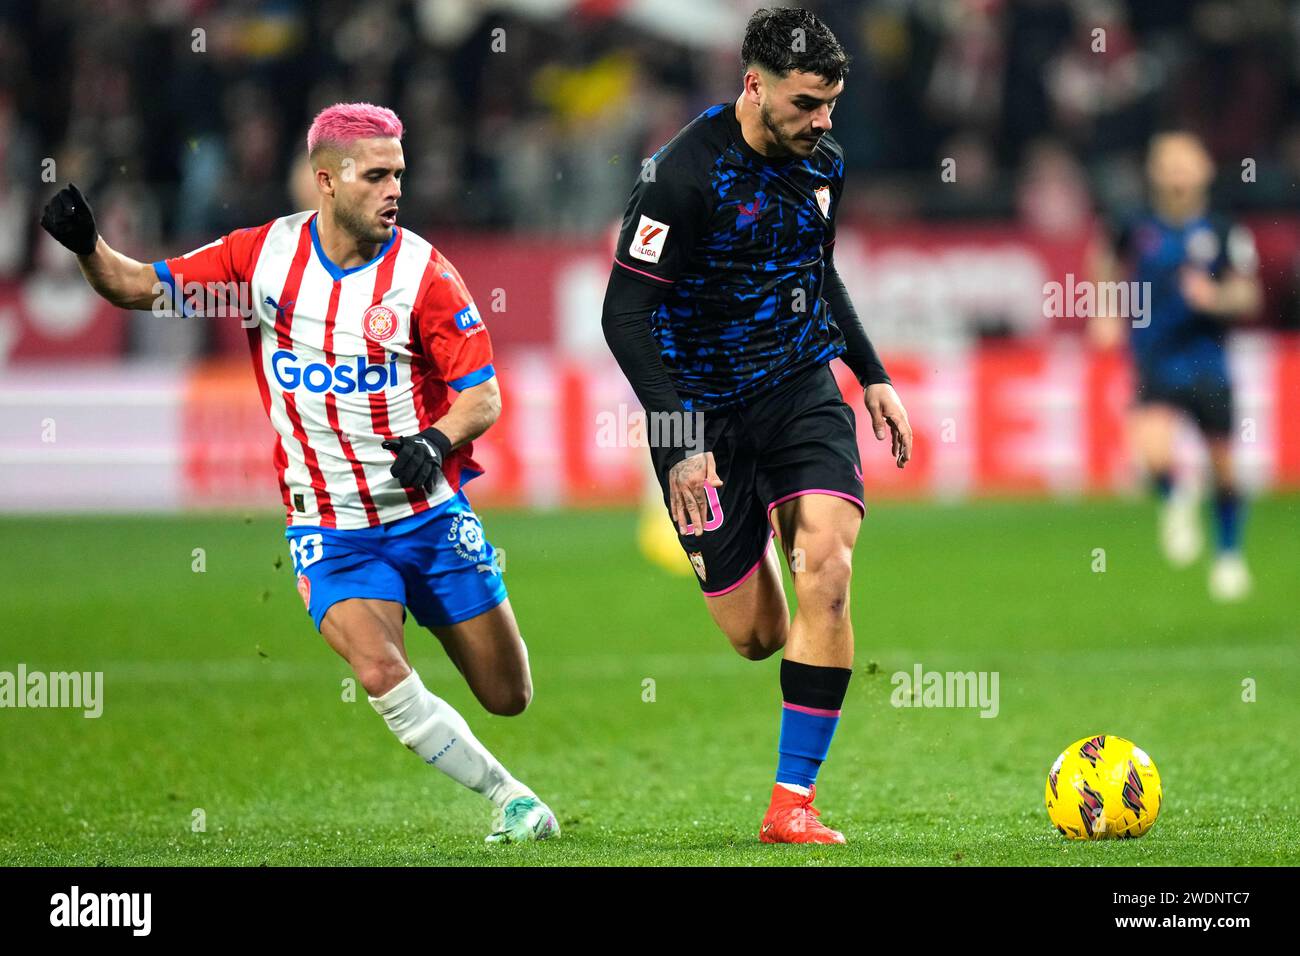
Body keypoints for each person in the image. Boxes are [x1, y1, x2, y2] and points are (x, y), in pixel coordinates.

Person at [39, 102, 559, 843]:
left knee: (509, 694)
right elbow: (135, 286)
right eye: (377, 176)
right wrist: (88, 244)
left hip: (428, 516)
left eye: (399, 175)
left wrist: (436, 441)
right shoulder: (261, 260)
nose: (395, 190)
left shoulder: (424, 276)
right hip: (329, 527)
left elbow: (484, 395)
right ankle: (511, 799)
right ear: (327, 180)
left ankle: (491, 718)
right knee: (382, 675)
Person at [601, 8, 913, 844]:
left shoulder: (825, 164)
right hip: (696, 418)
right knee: (758, 635)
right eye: (808, 103)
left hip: (799, 391)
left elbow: (819, 270)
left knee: (829, 570)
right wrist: (678, 438)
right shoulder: (681, 177)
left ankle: (792, 805)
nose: (823, 121)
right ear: (754, 86)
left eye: (832, 105)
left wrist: (870, 373)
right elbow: (624, 315)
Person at [1090, 131, 1261, 601]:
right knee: (1152, 453)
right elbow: (1103, 260)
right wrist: (1103, 311)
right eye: (1168, 162)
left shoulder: (1225, 231)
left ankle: (1228, 556)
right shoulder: (1134, 224)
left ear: (1205, 169)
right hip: (1155, 358)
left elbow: (1249, 293)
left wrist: (1217, 297)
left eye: (1186, 162)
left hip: (1209, 362)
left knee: (1224, 470)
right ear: (1154, 172)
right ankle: (1178, 497)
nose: (1178, 171)